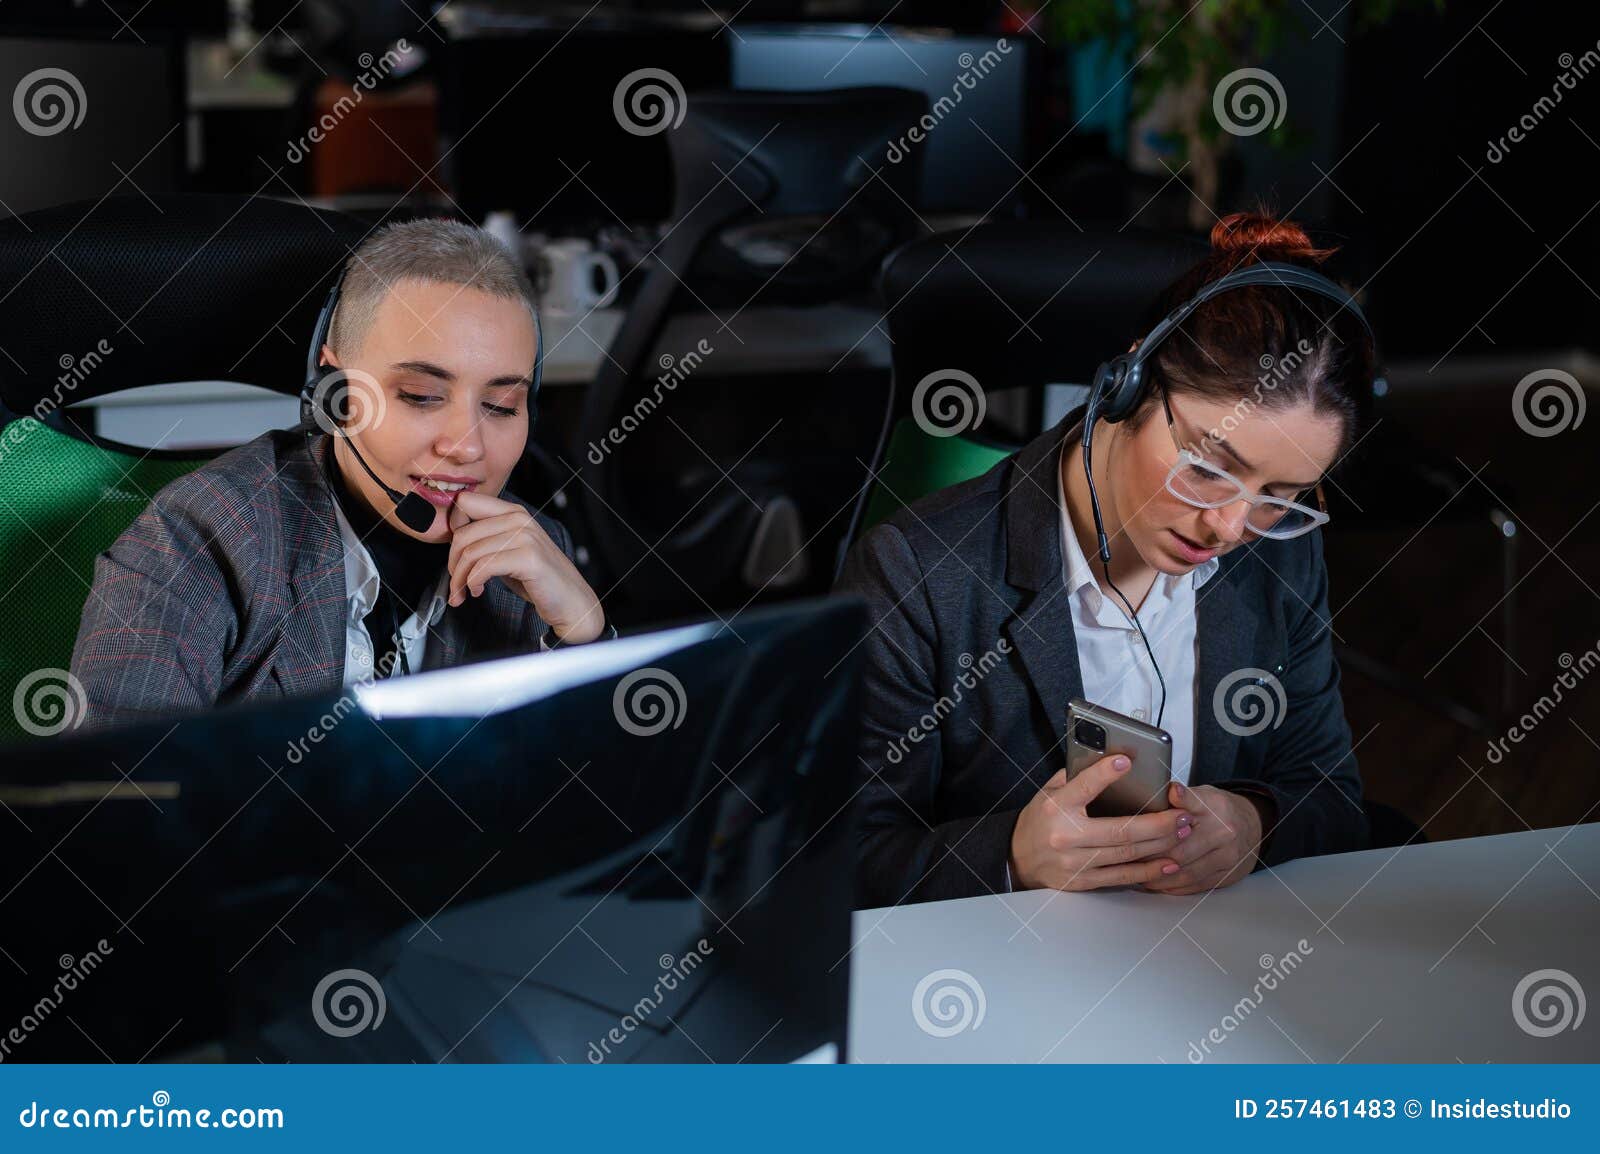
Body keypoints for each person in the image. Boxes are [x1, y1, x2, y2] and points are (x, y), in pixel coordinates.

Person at [836, 211, 1376, 907]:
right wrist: (1010, 858)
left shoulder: (1281, 560)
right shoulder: (915, 577)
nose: (1231, 526)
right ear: (1130, 390)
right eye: (1209, 467)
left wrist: (1256, 822)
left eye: (1282, 495)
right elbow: (843, 858)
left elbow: (1331, 794)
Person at [71, 218, 610, 729]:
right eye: (421, 396)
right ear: (337, 393)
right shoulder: (197, 544)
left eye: (500, 405)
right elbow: (120, 804)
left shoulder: (530, 563)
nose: (467, 445)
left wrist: (584, 637)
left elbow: (607, 804)